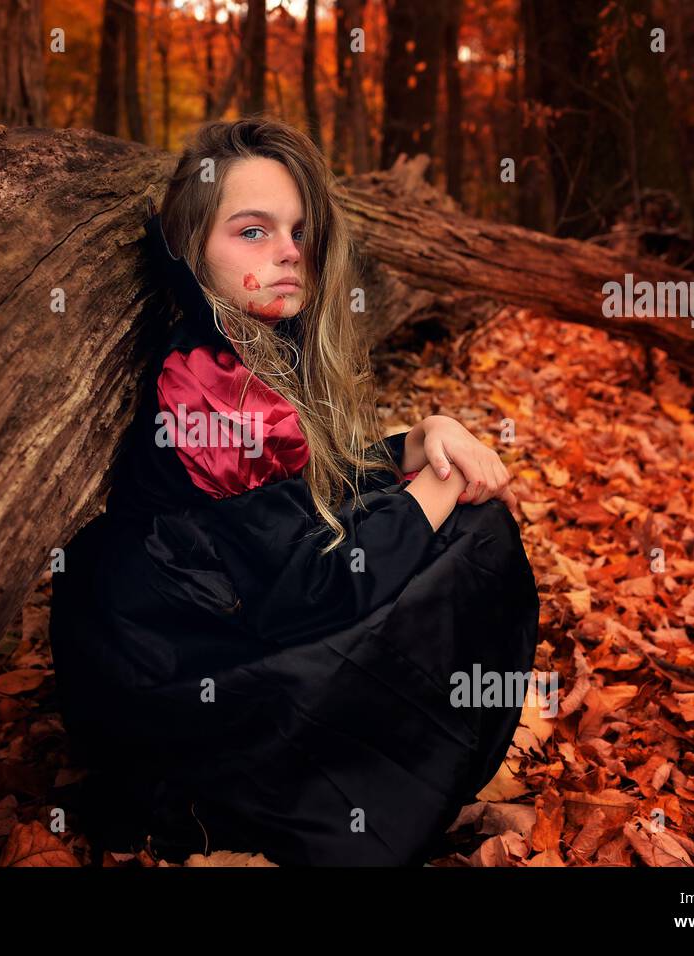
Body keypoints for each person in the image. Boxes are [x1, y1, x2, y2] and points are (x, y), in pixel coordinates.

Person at [48, 117, 540, 866]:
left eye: (299, 230)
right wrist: (443, 482)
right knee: (474, 537)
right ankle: (367, 787)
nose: (287, 252)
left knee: (440, 524)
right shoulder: (209, 385)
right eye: (252, 232)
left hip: (221, 618)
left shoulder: (252, 344)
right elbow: (314, 585)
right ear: (192, 251)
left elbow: (308, 491)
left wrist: (417, 439)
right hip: (181, 684)